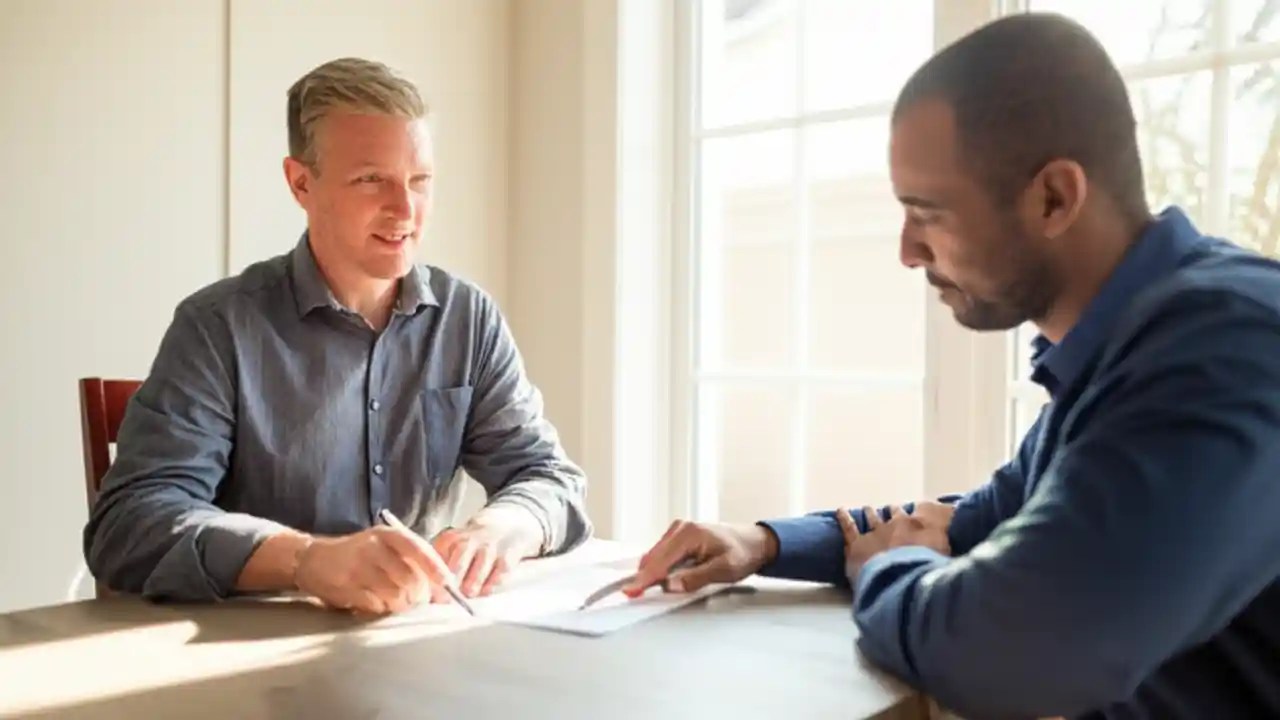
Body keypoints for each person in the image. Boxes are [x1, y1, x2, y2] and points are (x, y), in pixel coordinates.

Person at [626, 13, 1280, 719]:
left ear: (1054, 197)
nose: (907, 251)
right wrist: (766, 542)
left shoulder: (1223, 344)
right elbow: (983, 521)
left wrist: (884, 567)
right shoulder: (1128, 344)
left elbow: (1013, 651)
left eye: (927, 213)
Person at [84, 57, 591, 615]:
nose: (405, 210)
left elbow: (548, 478)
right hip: (256, 667)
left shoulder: (466, 319)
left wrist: (501, 529)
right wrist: (306, 559)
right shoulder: (218, 327)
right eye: (372, 179)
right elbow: (129, 522)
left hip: (421, 650)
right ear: (301, 183)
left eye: (420, 181)